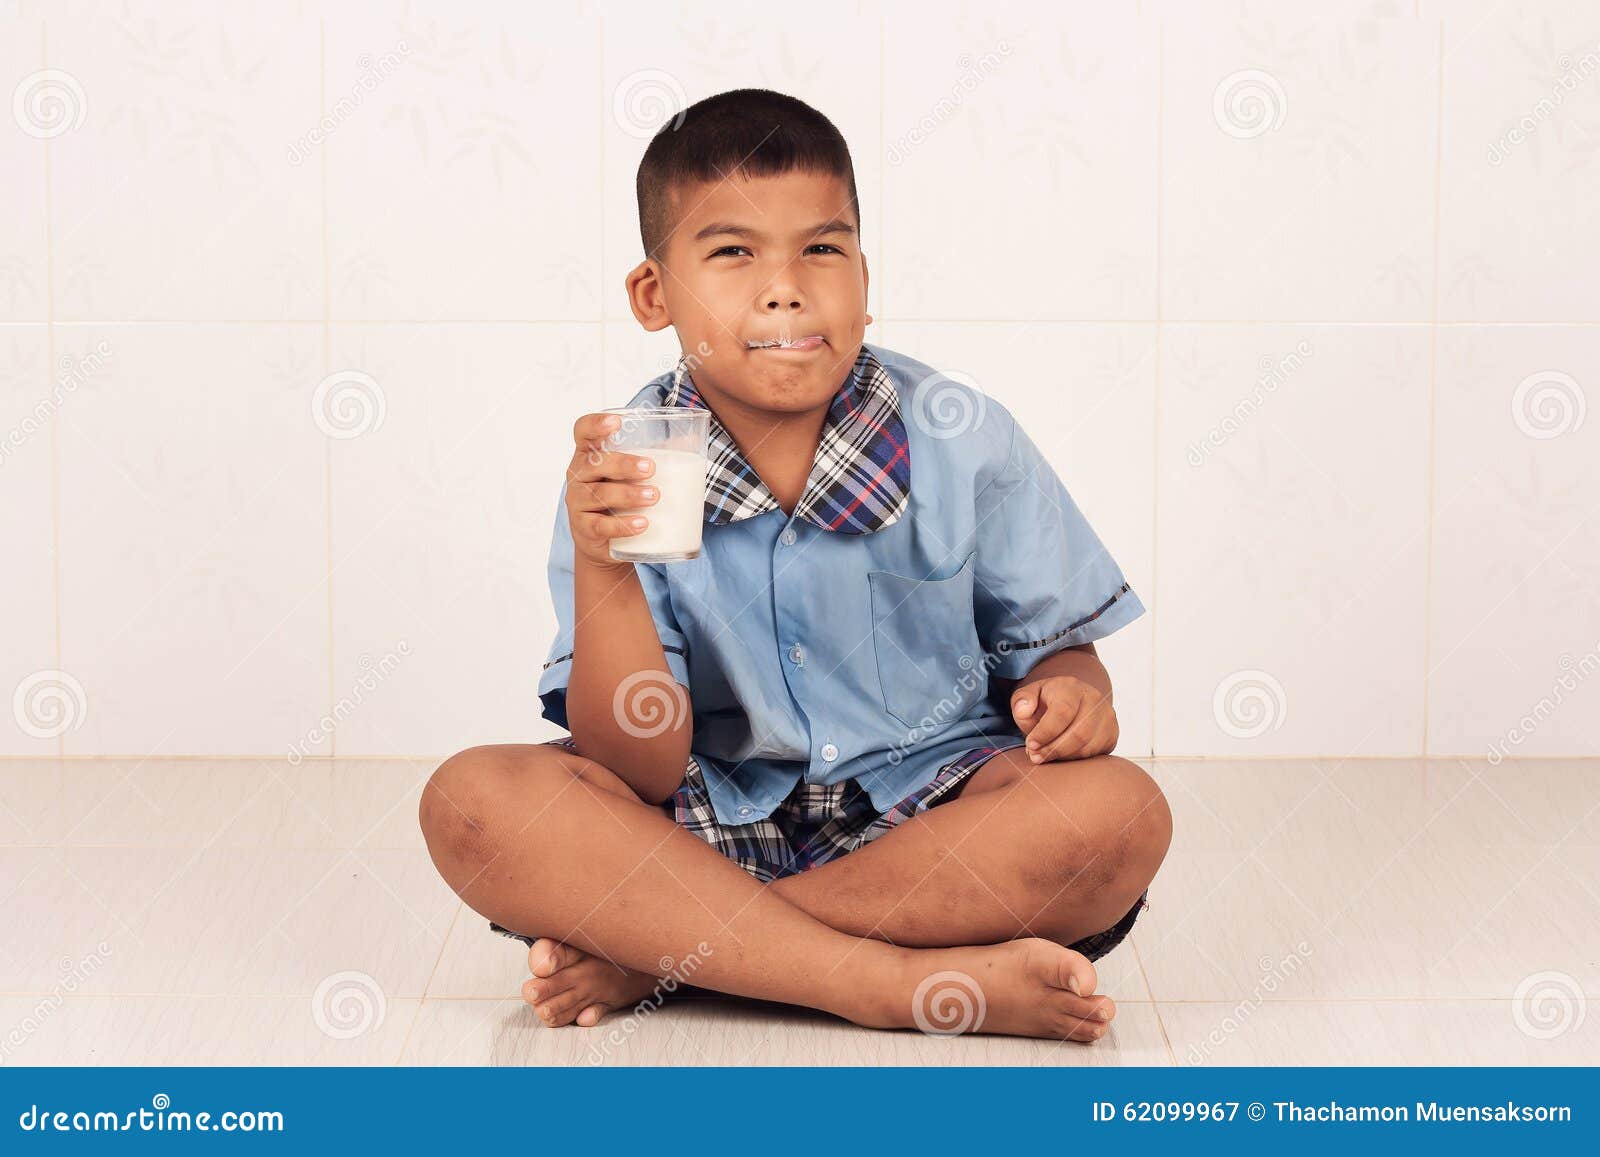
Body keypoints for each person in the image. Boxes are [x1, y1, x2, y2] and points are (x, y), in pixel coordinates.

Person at [420, 88, 1171, 1042]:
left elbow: (1059, 654)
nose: (785, 289)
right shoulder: (631, 471)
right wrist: (604, 567)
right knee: (473, 804)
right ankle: (881, 982)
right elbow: (636, 767)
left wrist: (1074, 695)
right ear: (654, 295)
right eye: (733, 253)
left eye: (821, 249)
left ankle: (675, 956)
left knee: (1118, 815)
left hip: (933, 825)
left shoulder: (961, 436)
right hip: (702, 822)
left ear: (865, 275)